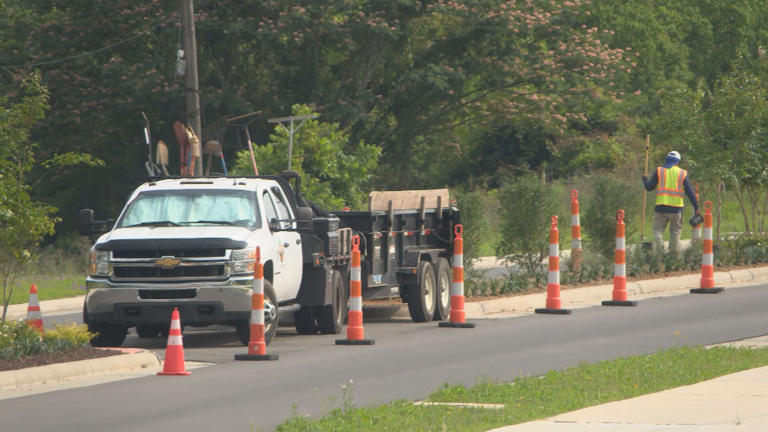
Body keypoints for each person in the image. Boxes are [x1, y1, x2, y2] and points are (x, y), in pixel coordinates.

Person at [642, 150, 700, 254]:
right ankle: (673, 255)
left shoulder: (660, 171)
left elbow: (649, 187)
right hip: (677, 209)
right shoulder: (682, 173)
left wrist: (645, 179)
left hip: (661, 208)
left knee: (657, 231)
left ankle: (661, 252)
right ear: (678, 162)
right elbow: (690, 191)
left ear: (667, 160)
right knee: (675, 232)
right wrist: (696, 207)